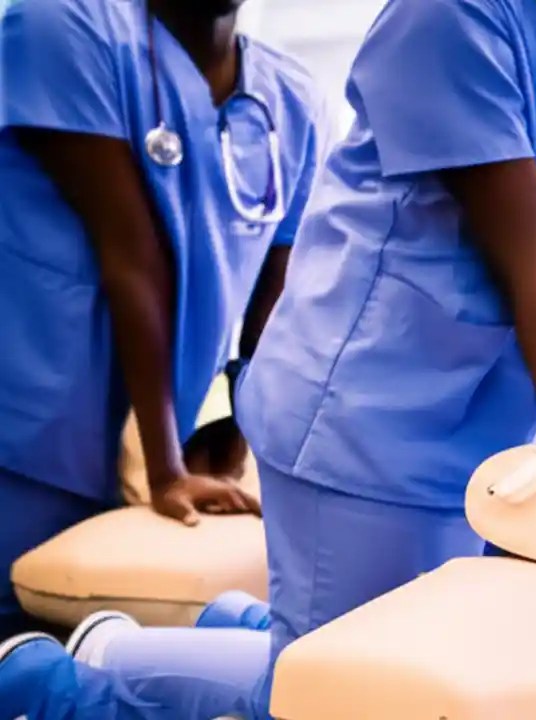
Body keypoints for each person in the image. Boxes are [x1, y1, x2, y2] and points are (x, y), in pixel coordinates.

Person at [0, 0, 536, 717]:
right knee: (338, 700)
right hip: (364, 418)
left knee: (410, 673)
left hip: (489, 433)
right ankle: (47, 684)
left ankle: (220, 634)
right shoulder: (448, 18)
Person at [0, 0, 328, 638]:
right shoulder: (60, 28)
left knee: (104, 645)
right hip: (27, 426)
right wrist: (165, 470)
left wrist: (241, 426)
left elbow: (275, 304)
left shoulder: (290, 98)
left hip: (157, 434)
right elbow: (133, 254)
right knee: (16, 642)